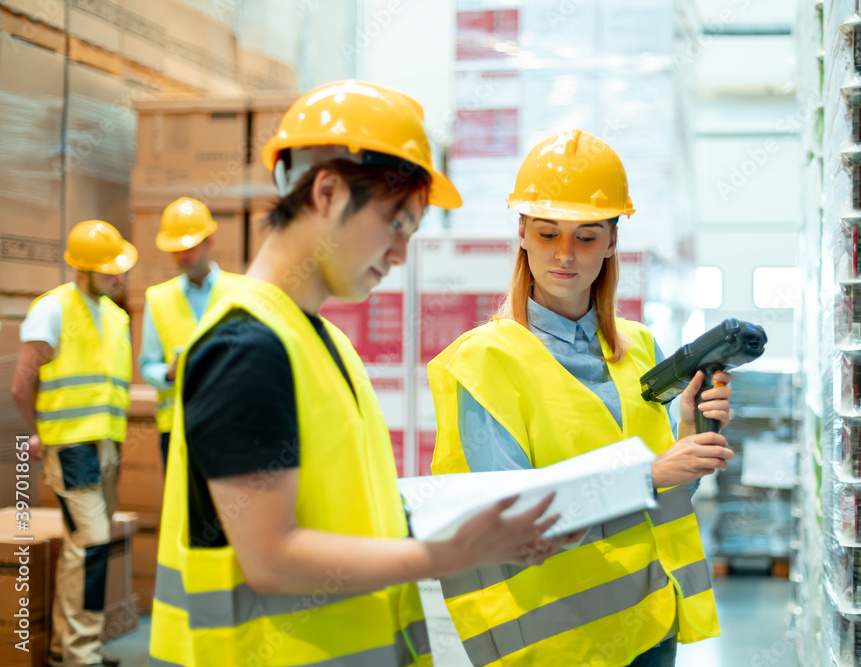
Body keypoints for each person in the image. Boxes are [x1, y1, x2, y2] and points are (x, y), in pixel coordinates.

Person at [148, 80, 580, 667]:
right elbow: (271, 560)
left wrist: (474, 522)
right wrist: (449, 552)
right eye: (396, 223)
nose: (402, 252)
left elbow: (354, 504)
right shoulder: (244, 347)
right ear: (327, 192)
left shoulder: (321, 342)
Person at [428, 129, 735, 667]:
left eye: (587, 237)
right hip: (553, 645)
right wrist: (651, 473)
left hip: (649, 627)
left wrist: (689, 437)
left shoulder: (639, 348)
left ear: (613, 241)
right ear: (522, 233)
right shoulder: (483, 362)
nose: (565, 254)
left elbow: (663, 503)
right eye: (547, 234)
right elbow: (509, 527)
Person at [11, 220, 137, 667]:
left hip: (106, 447)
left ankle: (70, 647)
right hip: (71, 448)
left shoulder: (117, 316)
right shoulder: (53, 309)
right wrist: (39, 430)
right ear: (81, 271)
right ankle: (79, 657)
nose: (119, 277)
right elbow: (21, 385)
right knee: (94, 539)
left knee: (81, 544)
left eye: (120, 268)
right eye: (109, 271)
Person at [138, 197, 241, 468]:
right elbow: (147, 365)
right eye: (176, 249)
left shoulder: (240, 292)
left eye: (190, 247)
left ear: (210, 241)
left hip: (230, 421)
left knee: (230, 508)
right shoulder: (158, 299)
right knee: (182, 509)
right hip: (177, 426)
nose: (182, 255)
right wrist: (169, 374)